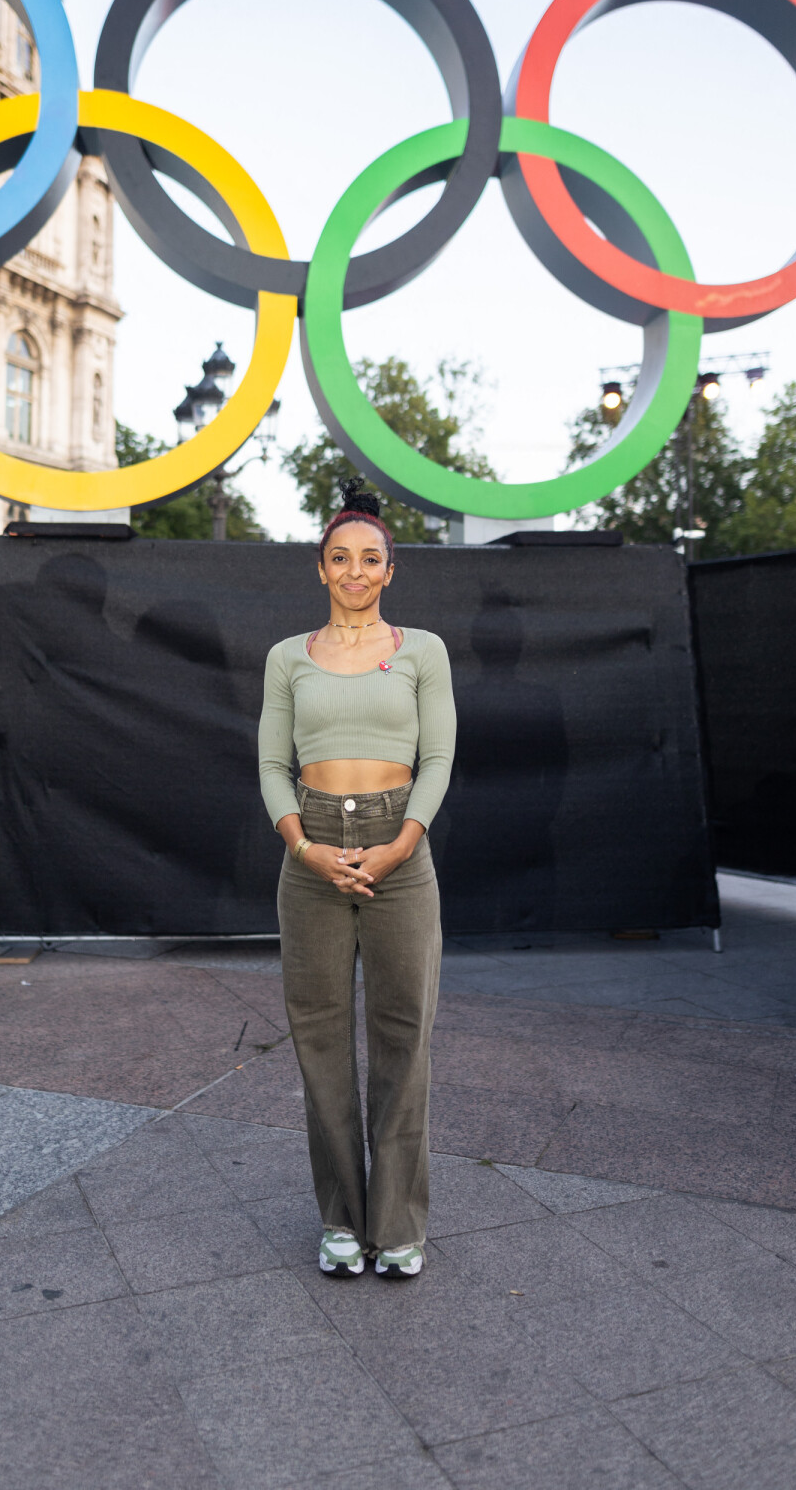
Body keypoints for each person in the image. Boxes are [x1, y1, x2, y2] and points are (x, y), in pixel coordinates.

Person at [258, 479, 456, 1280]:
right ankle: (342, 1219)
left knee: (404, 1037)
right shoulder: (285, 659)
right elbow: (273, 765)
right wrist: (306, 849)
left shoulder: (423, 651)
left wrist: (402, 842)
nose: (355, 571)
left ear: (389, 569)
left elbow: (437, 758)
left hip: (398, 851)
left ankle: (398, 1223)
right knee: (320, 1040)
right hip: (310, 857)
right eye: (340, 558)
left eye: (370, 559)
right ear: (320, 569)